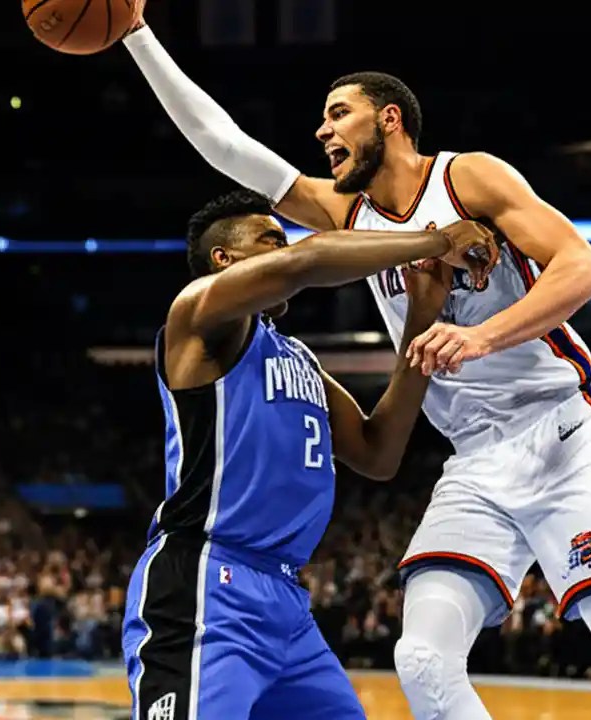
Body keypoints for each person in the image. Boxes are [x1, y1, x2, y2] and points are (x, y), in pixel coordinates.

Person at [120, 12, 591, 720]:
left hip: (559, 434)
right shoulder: (347, 214)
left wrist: (480, 337)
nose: (322, 131)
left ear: (390, 120)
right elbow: (224, 145)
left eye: (338, 115)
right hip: (472, 458)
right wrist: (135, 33)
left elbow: (584, 268)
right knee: (423, 659)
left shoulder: (469, 177)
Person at [122, 189, 498, 720]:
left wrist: (421, 314)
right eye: (269, 239)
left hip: (286, 603)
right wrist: (438, 239)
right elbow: (306, 261)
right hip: (206, 585)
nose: (284, 247)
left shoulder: (299, 358)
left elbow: (378, 452)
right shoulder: (197, 314)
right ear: (223, 261)